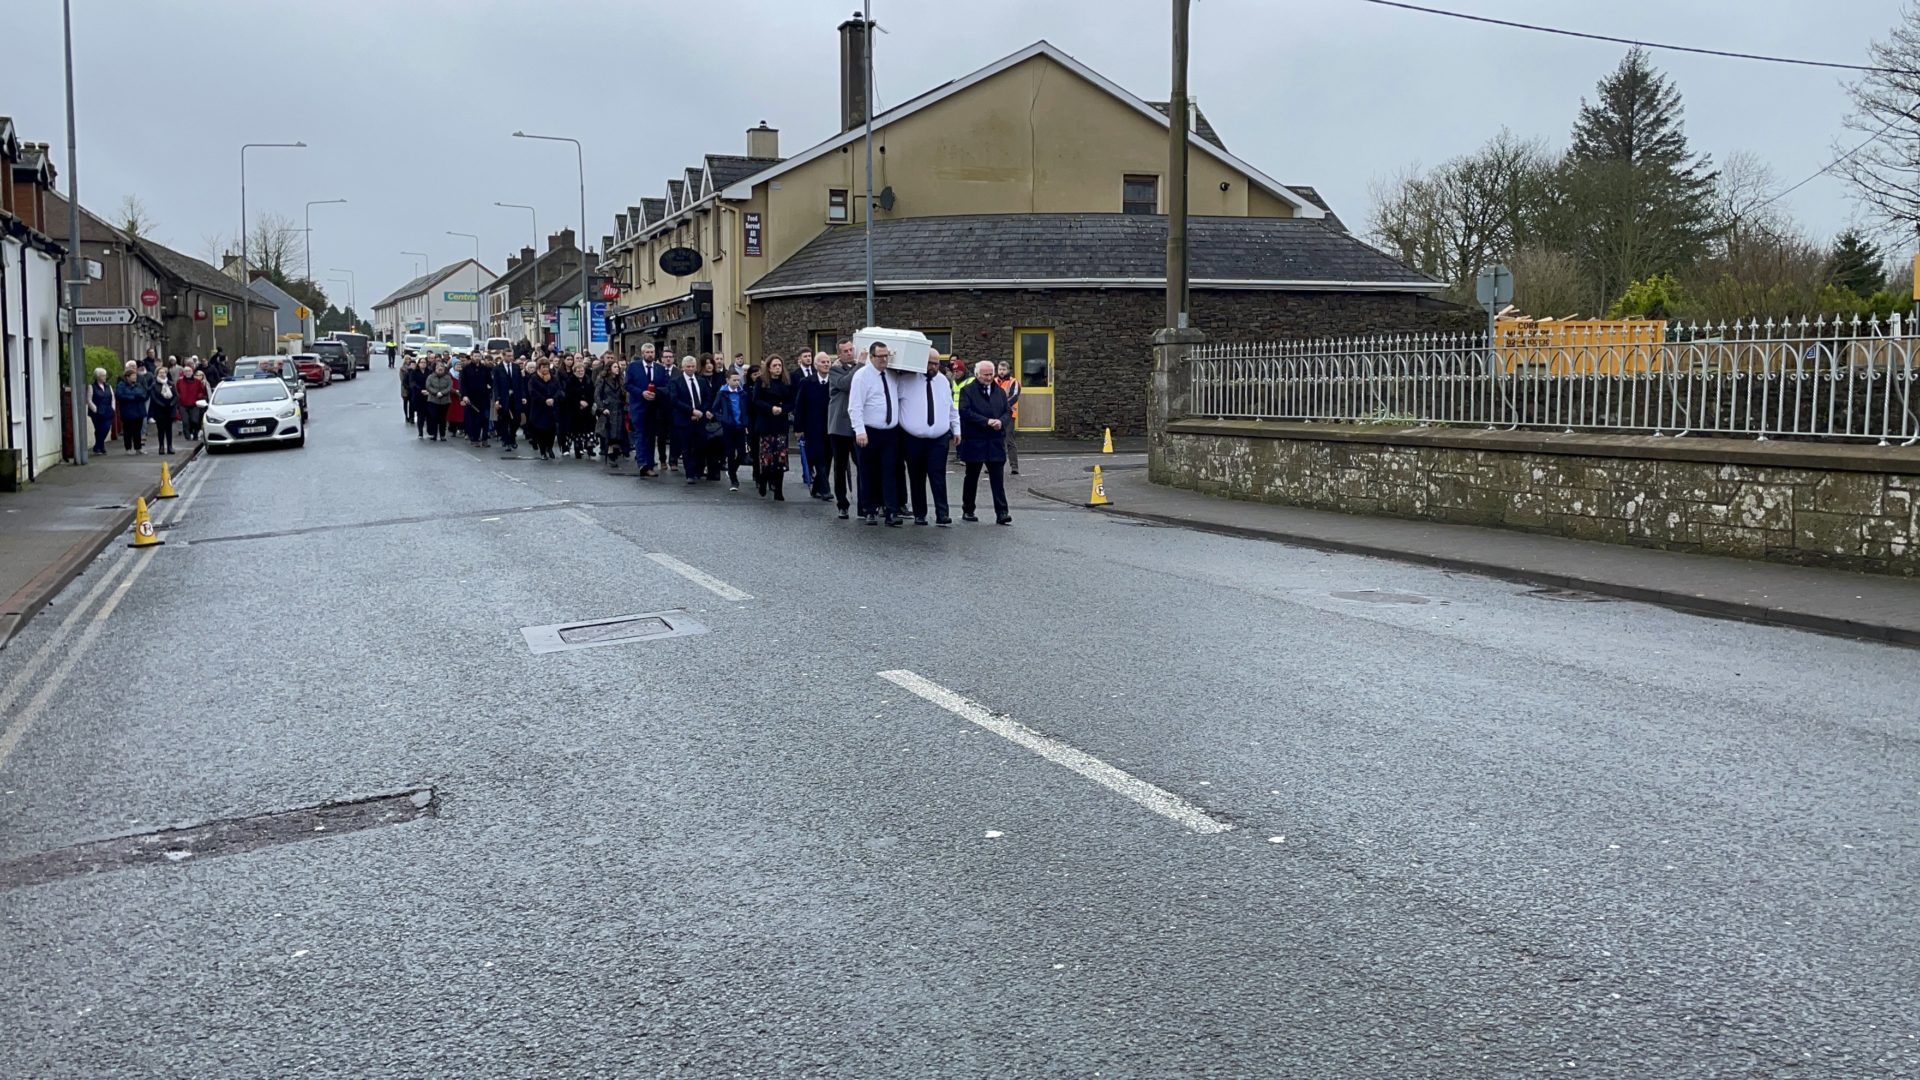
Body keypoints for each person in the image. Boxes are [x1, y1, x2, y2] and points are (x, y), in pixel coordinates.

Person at [899, 346, 959, 526]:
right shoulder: (906, 380)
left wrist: (957, 429)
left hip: (939, 438)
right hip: (912, 438)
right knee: (916, 477)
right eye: (930, 363)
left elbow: (950, 407)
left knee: (938, 475)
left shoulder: (943, 381)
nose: (934, 367)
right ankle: (920, 513)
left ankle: (943, 514)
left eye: (937, 363)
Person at [848, 340, 904, 526]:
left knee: (890, 471)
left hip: (890, 432)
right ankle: (869, 509)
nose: (884, 360)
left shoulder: (891, 375)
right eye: (880, 356)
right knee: (868, 471)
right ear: (871, 357)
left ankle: (891, 510)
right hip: (869, 431)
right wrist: (859, 430)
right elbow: (855, 405)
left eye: (886, 356)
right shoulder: (862, 376)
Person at [959, 360, 1014, 525]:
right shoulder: (967, 391)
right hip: (975, 440)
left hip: (995, 441)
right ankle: (968, 510)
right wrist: (986, 421)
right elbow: (965, 412)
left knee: (998, 479)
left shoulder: (999, 392)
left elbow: (1007, 411)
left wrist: (1001, 422)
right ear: (977, 374)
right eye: (986, 375)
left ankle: (1002, 512)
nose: (989, 378)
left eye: (991, 374)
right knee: (972, 477)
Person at [752, 355, 797, 501]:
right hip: (766, 423)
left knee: (781, 459)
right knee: (767, 458)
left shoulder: (787, 382)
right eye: (775, 365)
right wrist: (770, 408)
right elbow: (756, 401)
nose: (778, 368)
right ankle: (764, 480)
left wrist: (783, 409)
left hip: (781, 424)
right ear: (769, 368)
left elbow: (792, 401)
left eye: (779, 365)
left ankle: (779, 489)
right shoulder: (761, 381)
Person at [826, 338, 862, 520]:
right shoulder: (834, 370)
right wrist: (860, 364)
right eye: (845, 351)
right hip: (839, 426)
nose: (849, 353)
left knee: (861, 465)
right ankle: (842, 503)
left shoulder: (859, 368)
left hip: (857, 426)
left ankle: (864, 504)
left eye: (851, 350)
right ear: (839, 354)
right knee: (840, 467)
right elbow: (846, 384)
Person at [666, 355, 712, 484]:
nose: (690, 369)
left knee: (700, 445)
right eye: (688, 367)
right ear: (683, 367)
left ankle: (698, 470)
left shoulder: (701, 381)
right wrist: (691, 411)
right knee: (687, 447)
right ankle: (689, 473)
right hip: (684, 419)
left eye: (692, 366)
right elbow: (675, 400)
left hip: (700, 419)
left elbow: (708, 398)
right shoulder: (676, 381)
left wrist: (701, 411)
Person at [794, 350, 833, 500]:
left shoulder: (833, 382)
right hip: (813, 427)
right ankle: (825, 489)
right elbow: (800, 406)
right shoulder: (806, 382)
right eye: (822, 362)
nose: (826, 364)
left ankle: (817, 488)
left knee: (828, 457)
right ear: (816, 365)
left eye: (828, 361)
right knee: (819, 458)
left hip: (830, 427)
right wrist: (798, 428)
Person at [624, 344, 659, 476]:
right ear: (643, 353)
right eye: (648, 352)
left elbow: (664, 386)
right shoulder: (633, 367)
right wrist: (641, 393)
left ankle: (650, 464)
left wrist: (656, 394)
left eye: (652, 352)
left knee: (650, 437)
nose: (650, 354)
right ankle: (643, 464)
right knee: (640, 434)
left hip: (653, 408)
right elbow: (627, 384)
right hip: (638, 407)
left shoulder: (659, 369)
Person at [713, 369, 750, 490]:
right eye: (734, 380)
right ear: (727, 380)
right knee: (730, 452)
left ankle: (732, 469)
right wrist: (722, 419)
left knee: (742, 453)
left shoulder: (742, 394)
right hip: (728, 427)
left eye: (738, 380)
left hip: (740, 426)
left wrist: (746, 422)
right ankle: (734, 481)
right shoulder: (722, 393)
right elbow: (715, 408)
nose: (736, 382)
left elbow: (746, 409)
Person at [594, 358, 629, 469]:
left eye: (618, 367)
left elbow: (624, 394)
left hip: (619, 409)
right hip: (607, 409)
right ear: (609, 369)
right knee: (608, 433)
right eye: (615, 367)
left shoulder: (620, 380)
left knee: (618, 434)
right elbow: (597, 395)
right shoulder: (602, 379)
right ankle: (610, 455)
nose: (617, 369)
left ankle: (615, 454)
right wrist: (601, 408)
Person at [524, 359, 562, 459]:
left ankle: (549, 447)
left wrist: (553, 399)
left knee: (552, 430)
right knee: (541, 430)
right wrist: (544, 400)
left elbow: (558, 390)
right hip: (539, 408)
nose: (545, 369)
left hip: (552, 409)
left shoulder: (553, 378)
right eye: (543, 367)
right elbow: (532, 392)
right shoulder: (534, 379)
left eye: (547, 366)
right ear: (539, 368)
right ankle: (542, 451)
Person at [493, 353, 525, 453]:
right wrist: (497, 399)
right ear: (503, 356)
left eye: (511, 355)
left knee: (516, 419)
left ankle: (512, 437)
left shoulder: (516, 367)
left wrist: (523, 396)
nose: (511, 357)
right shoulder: (498, 368)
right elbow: (496, 385)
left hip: (515, 398)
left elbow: (520, 383)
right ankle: (506, 441)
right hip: (503, 398)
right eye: (508, 356)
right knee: (504, 419)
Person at [114, 364, 149, 454]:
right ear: (127, 377)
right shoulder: (121, 385)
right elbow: (120, 396)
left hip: (139, 411)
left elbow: (143, 394)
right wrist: (134, 397)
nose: (135, 378)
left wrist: (135, 395)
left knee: (138, 430)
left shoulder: (138, 385)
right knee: (128, 431)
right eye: (133, 376)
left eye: (135, 376)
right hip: (128, 411)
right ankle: (128, 448)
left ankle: (138, 447)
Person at [460, 354, 493, 447]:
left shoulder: (485, 368)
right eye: (475, 356)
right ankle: (475, 438)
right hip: (471, 398)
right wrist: (464, 395)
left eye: (479, 356)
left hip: (484, 397)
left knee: (485, 418)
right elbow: (463, 383)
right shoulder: (466, 369)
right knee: (474, 419)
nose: (477, 358)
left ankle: (485, 438)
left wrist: (489, 388)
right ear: (471, 357)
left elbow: (490, 381)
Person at [996, 360, 1022, 475]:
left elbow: (1014, 396)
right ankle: (994, 464)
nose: (1001, 372)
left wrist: (1002, 406)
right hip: (996, 414)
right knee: (995, 440)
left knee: (1009, 439)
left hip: (1009, 414)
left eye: (1004, 369)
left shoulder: (1014, 382)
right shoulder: (994, 381)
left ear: (1008, 370)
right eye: (1000, 369)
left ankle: (1014, 466)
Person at [149, 369, 178, 456]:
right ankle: (161, 446)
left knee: (169, 429)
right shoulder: (154, 385)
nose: (162, 374)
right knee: (161, 429)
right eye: (160, 373)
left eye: (164, 373)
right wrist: (161, 404)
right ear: (157, 374)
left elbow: (176, 396)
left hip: (170, 409)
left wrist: (172, 403)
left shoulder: (171, 384)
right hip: (159, 410)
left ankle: (170, 446)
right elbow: (153, 397)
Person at [86, 367, 115, 455]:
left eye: (105, 375)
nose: (104, 377)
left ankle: (97, 446)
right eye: (102, 375)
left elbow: (112, 398)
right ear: (97, 377)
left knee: (106, 428)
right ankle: (100, 447)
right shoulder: (92, 387)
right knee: (98, 429)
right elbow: (89, 400)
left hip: (108, 411)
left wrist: (113, 408)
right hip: (97, 412)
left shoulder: (108, 386)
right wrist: (95, 409)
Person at [424, 362, 454, 442]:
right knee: (434, 417)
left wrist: (442, 393)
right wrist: (436, 392)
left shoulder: (448, 377)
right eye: (438, 368)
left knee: (443, 419)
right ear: (435, 369)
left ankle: (442, 435)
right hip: (433, 400)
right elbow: (428, 386)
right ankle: (434, 434)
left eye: (442, 369)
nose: (440, 370)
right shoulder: (430, 377)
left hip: (445, 401)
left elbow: (449, 386)